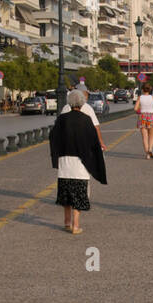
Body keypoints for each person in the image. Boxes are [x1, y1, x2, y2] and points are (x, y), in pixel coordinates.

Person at [49, 90, 107, 235]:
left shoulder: (62, 119)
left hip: (64, 161)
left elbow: (53, 137)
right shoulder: (86, 119)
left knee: (66, 192)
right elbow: (93, 141)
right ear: (82, 102)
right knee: (79, 192)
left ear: (69, 102)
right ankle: (76, 225)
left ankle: (67, 222)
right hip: (81, 162)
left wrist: (57, 156)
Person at [134, 84, 153, 158]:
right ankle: (150, 149)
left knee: (144, 136)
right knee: (151, 135)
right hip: (151, 116)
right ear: (149, 90)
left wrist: (141, 111)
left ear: (142, 90)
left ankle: (147, 154)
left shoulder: (140, 97)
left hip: (142, 116)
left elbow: (135, 109)